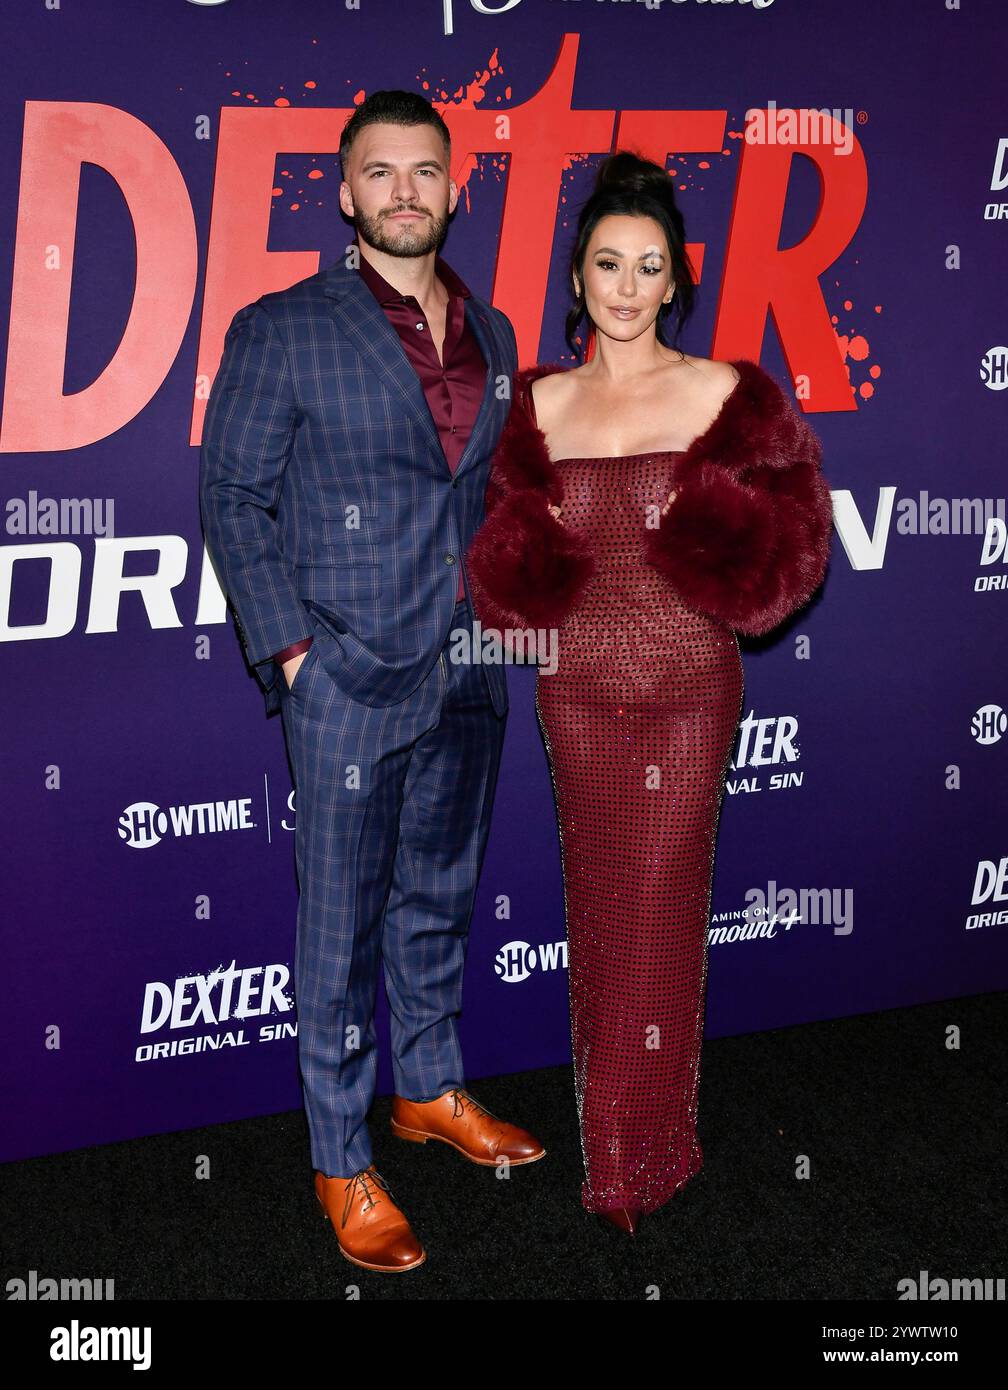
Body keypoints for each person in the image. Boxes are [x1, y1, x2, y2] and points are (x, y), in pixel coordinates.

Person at [199, 90, 544, 1275]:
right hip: (347, 673)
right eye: (379, 173)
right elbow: (232, 499)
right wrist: (296, 653)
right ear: (344, 196)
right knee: (338, 930)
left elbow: (487, 498)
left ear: (456, 190)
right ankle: (342, 1157)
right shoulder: (282, 326)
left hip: (468, 664)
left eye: (425, 171)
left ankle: (429, 1090)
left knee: (440, 895)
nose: (405, 191)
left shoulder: (493, 333)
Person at [466, 151, 833, 1235]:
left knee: (662, 911)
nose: (625, 287)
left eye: (648, 267)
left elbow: (799, 545)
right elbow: (498, 552)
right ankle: (613, 1140)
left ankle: (648, 1147)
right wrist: (528, 595)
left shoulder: (729, 390)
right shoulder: (538, 400)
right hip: (575, 693)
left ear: (676, 280)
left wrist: (713, 556)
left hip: (685, 689)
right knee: (600, 906)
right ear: (576, 278)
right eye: (605, 265)